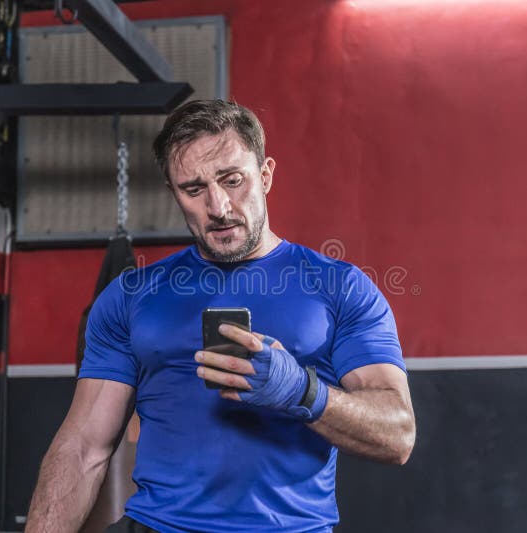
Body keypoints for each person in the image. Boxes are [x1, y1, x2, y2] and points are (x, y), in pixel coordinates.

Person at [25, 100, 416, 533]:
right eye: (194, 189)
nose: (219, 206)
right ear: (174, 193)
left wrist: (301, 392)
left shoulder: (340, 287)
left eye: (233, 181)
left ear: (265, 175)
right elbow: (83, 449)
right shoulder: (131, 297)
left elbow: (397, 436)